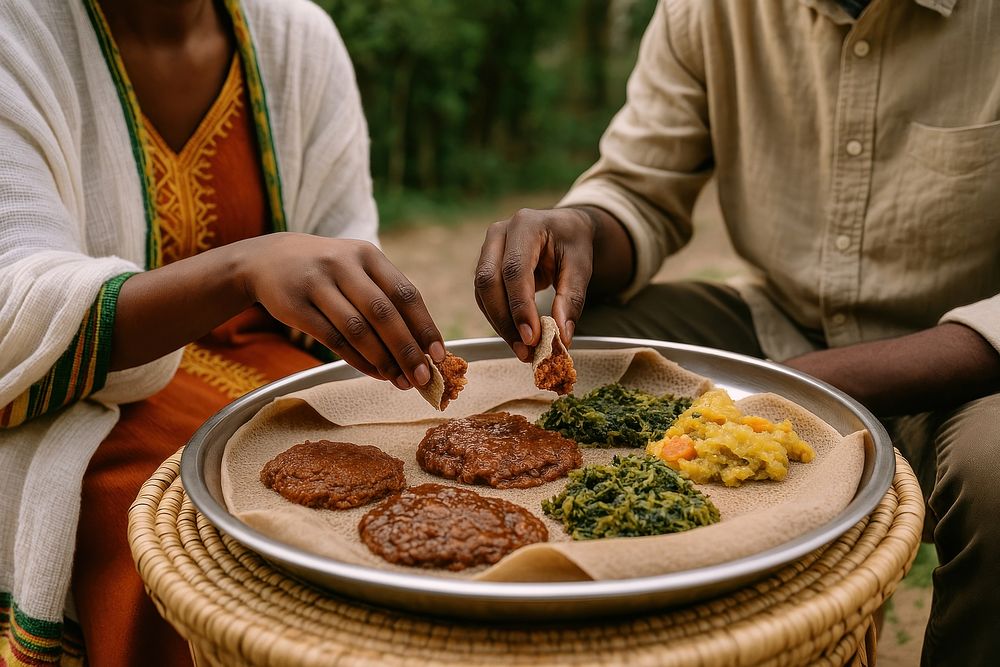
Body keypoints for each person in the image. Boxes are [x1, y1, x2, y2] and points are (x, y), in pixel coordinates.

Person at [475, 1, 1000, 665]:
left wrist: (796, 386)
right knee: (582, 356)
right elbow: (639, 189)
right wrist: (582, 225)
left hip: (967, 363)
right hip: (775, 320)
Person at [0, 0, 443, 665]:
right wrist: (241, 268)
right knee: (168, 532)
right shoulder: (18, 31)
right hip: (86, 406)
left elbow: (343, 249)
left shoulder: (301, 41)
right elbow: (15, 306)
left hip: (283, 378)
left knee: (412, 503)